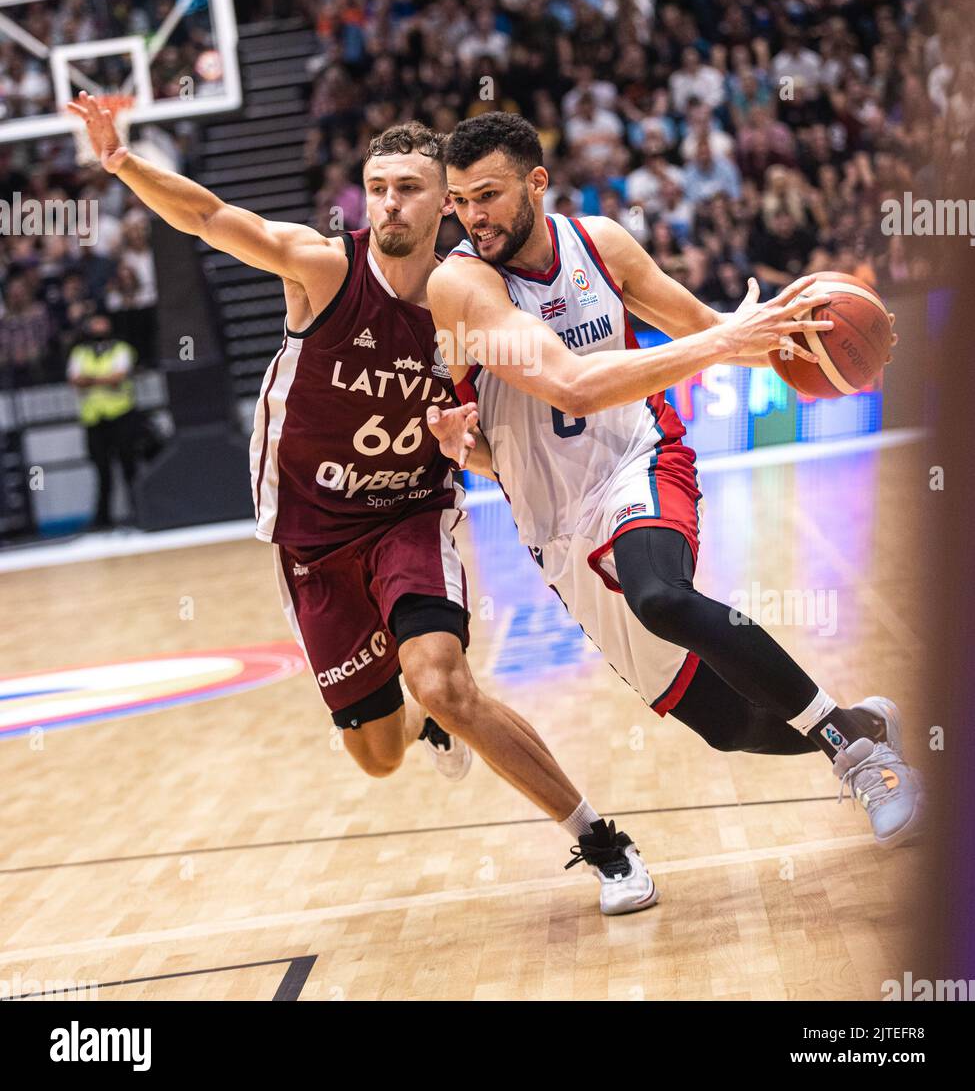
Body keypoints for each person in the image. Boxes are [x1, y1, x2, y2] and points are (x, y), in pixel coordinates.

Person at [66, 92, 658, 916]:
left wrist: (467, 441)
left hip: (410, 513)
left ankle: (600, 840)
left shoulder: (471, 298)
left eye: (409, 187)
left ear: (444, 203)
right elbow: (206, 216)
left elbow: (509, 438)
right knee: (379, 757)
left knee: (444, 679)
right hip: (311, 537)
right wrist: (122, 161)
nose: (388, 202)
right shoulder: (324, 269)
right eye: (377, 186)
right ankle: (425, 728)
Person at [428, 112, 924, 855]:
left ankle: (859, 759)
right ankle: (859, 724)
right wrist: (466, 450)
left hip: (640, 457)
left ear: (537, 181)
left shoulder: (600, 244)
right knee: (726, 727)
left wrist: (814, 348)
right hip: (554, 524)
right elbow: (568, 388)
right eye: (460, 200)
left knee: (661, 597)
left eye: (488, 196)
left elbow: (704, 326)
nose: (473, 217)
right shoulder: (460, 283)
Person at [66, 311, 140, 530]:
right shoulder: (79, 352)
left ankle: (140, 511)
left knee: (129, 466)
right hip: (94, 419)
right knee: (102, 470)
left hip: (121, 415)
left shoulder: (121, 349)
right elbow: (74, 379)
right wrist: (104, 380)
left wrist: (90, 379)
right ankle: (102, 519)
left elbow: (119, 376)